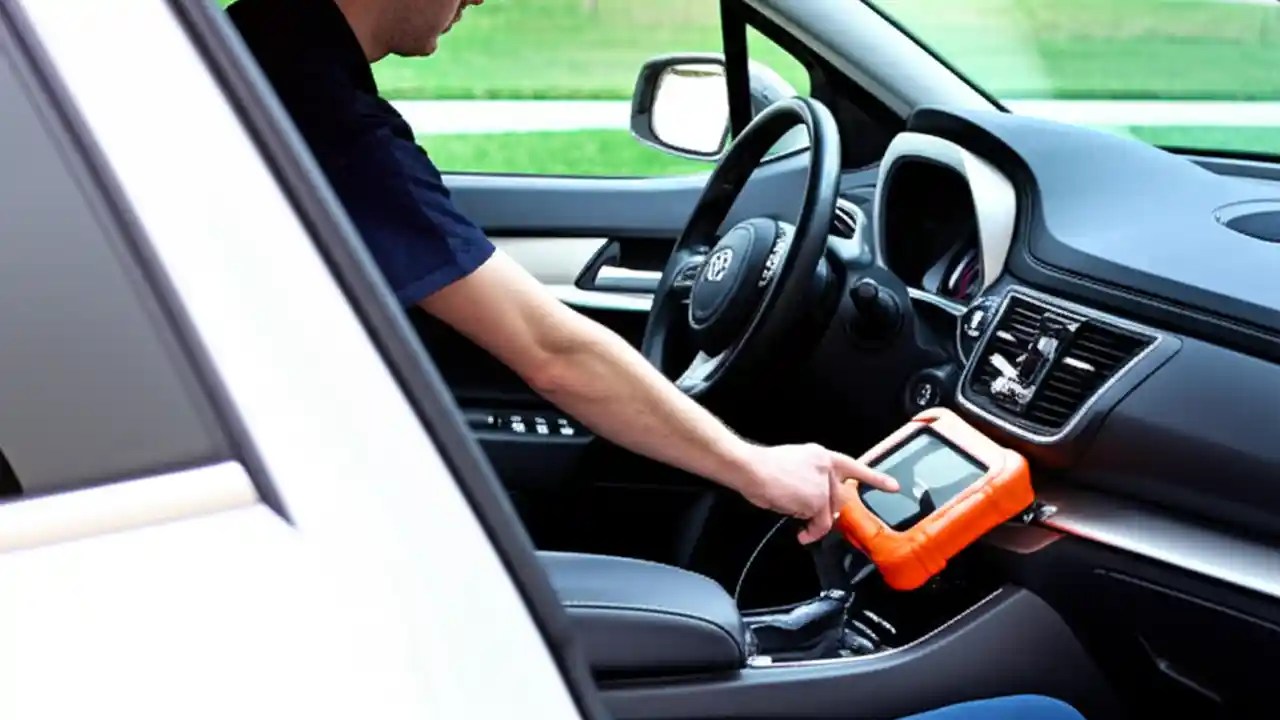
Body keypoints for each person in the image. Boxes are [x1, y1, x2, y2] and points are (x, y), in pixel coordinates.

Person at [225, 0, 898, 545]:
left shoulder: (256, 52)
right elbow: (552, 353)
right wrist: (757, 466)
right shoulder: (326, 120)